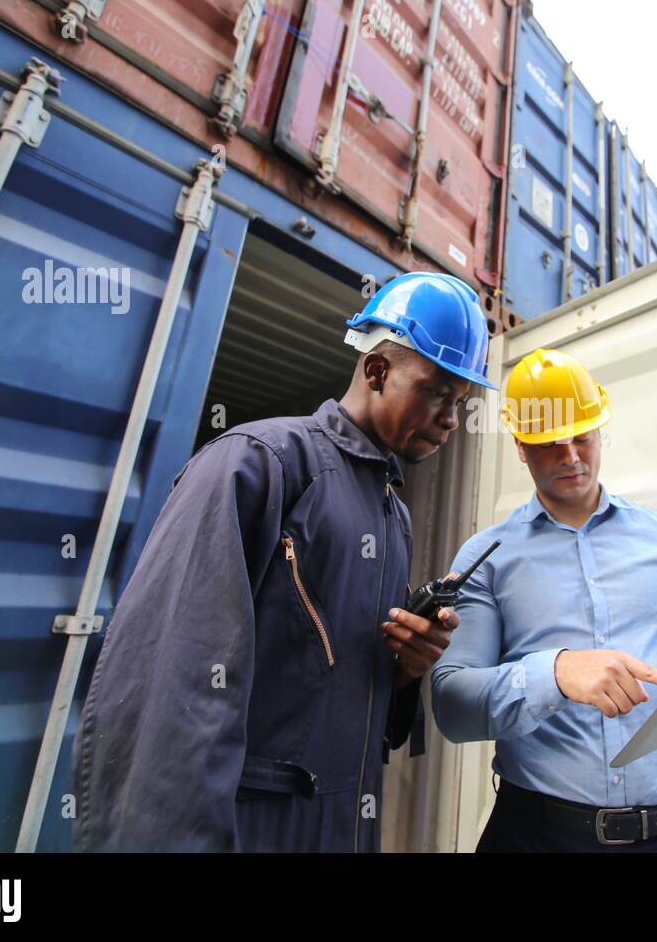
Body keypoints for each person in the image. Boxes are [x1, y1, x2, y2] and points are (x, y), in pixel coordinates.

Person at [73, 272, 495, 852]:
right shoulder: (259, 463)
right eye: (438, 393)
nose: (452, 418)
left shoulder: (392, 516)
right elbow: (171, 683)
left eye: (460, 402)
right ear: (377, 371)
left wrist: (405, 667)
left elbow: (337, 687)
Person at [430, 347, 657, 852]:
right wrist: (557, 673)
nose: (570, 456)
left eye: (583, 436)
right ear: (520, 445)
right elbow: (453, 707)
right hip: (537, 837)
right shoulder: (487, 558)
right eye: (549, 442)